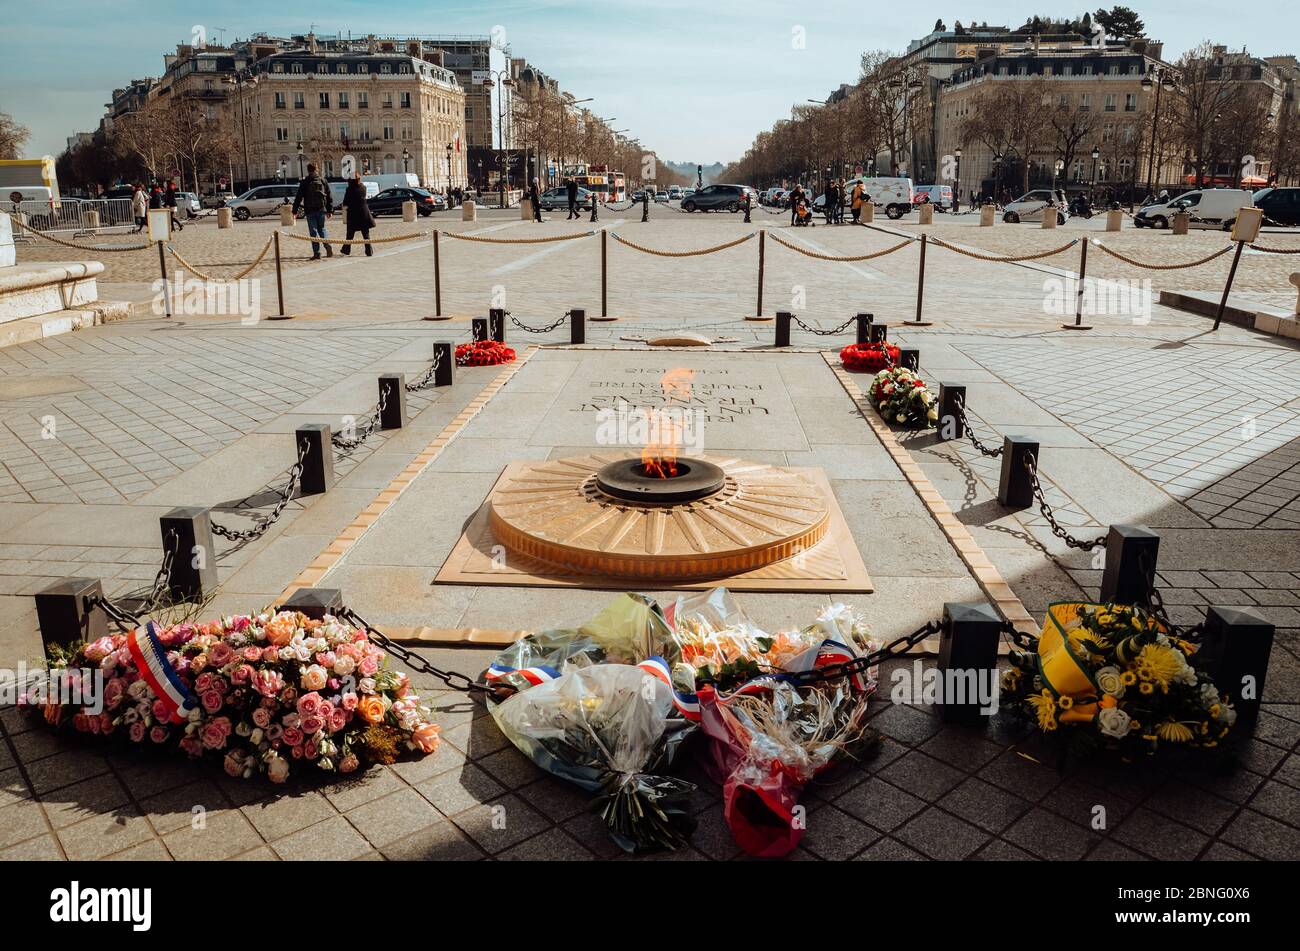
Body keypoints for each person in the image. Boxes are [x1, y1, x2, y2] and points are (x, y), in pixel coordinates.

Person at [292, 162, 334, 259]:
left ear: (308, 170)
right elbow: (329, 196)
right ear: (317, 169)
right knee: (322, 229)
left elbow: (299, 197)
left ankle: (317, 253)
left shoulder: (306, 181)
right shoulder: (323, 180)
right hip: (321, 209)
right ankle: (327, 244)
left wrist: (294, 211)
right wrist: (330, 210)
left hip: (310, 210)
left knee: (313, 231)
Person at [339, 171, 377, 257]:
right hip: (363, 212)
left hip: (353, 213)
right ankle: (369, 251)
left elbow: (346, 202)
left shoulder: (349, 189)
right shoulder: (363, 187)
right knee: (366, 234)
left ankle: (346, 249)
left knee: (350, 234)